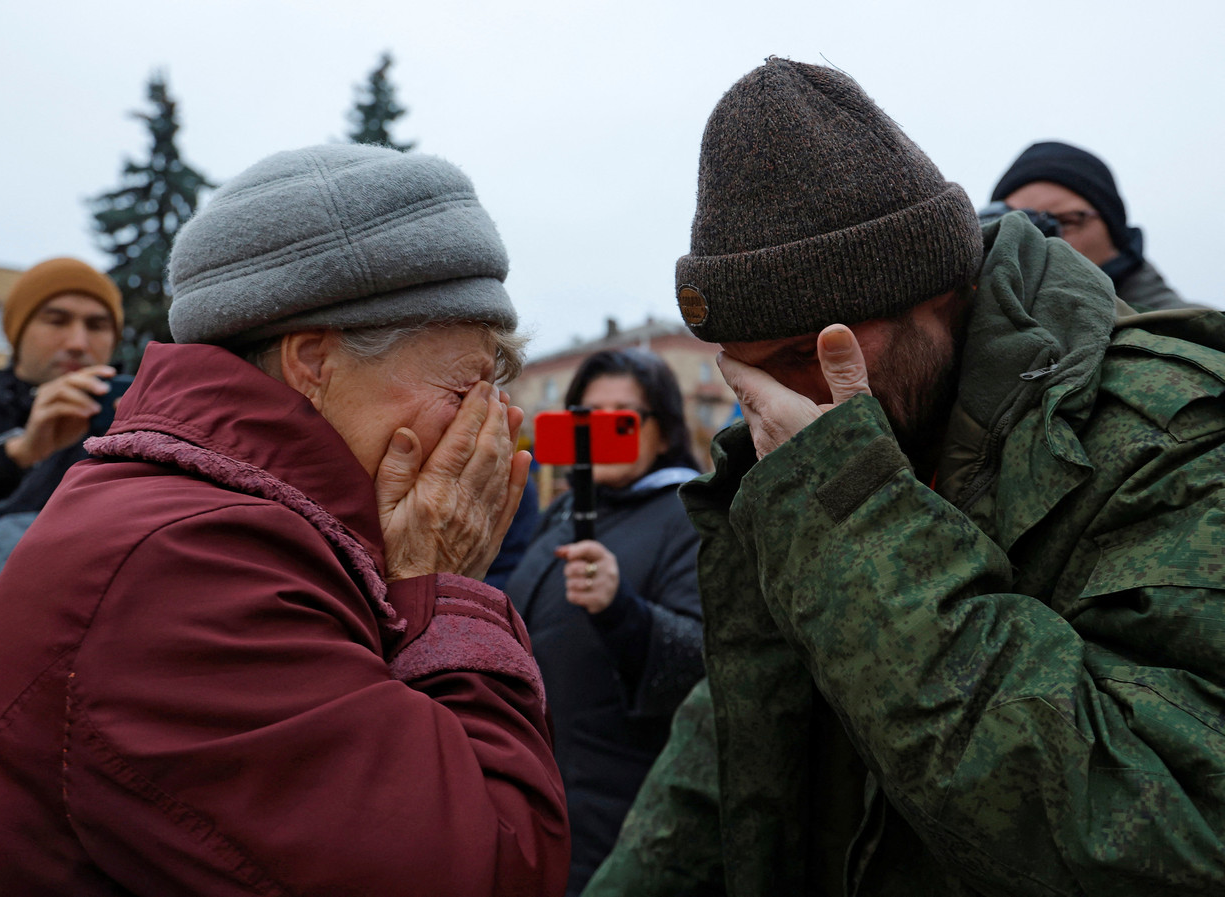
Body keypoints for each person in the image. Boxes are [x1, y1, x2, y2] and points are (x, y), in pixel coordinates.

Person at [584, 59, 1225, 896]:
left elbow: (1176, 835)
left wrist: (858, 520)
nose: (781, 404)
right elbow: (732, 770)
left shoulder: (1169, 434)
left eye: (806, 354)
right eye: (752, 373)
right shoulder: (795, 466)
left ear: (938, 290)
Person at [0, 144, 570, 895]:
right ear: (313, 362)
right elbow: (492, 866)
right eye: (465, 389)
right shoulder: (189, 564)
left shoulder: (226, 523)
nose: (494, 428)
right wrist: (444, 591)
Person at [506, 348, 704, 896]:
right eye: (585, 418)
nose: (598, 432)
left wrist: (621, 609)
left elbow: (706, 667)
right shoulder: (563, 513)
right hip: (538, 795)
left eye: (621, 419)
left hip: (623, 813)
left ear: (662, 433)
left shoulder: (689, 518)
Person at [0, 257, 123, 588]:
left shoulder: (132, 415)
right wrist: (17, 454)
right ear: (16, 333)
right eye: (56, 321)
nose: (77, 343)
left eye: (97, 326)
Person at [990, 141, 1194, 312]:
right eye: (1020, 223)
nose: (1039, 238)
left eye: (1067, 221)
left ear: (1113, 232)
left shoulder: (1199, 337)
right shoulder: (973, 335)